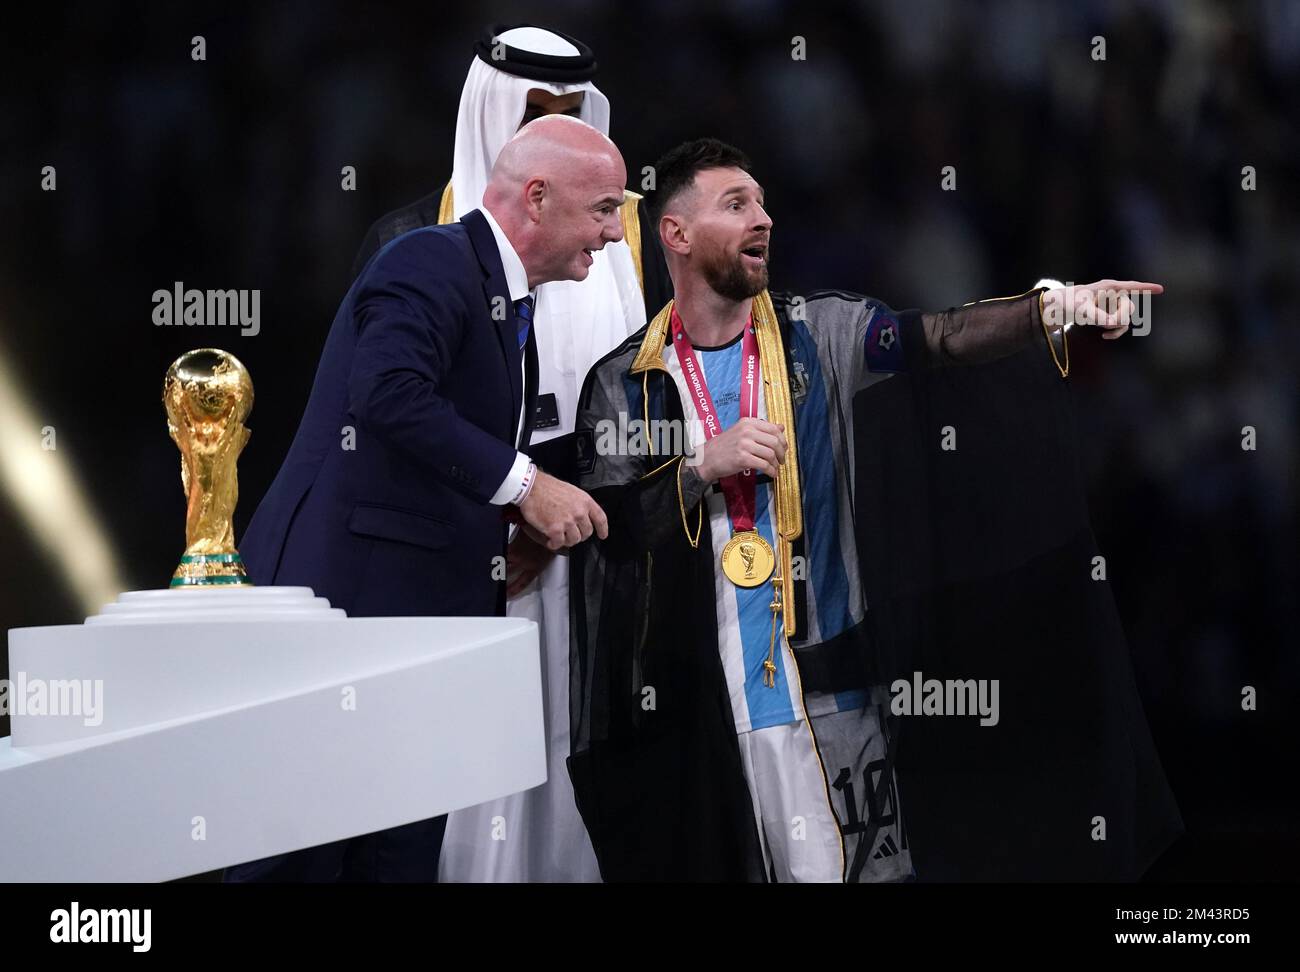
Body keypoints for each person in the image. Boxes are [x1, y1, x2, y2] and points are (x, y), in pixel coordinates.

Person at [567, 137, 1180, 881]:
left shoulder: (824, 332)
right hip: (705, 723)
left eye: (763, 202)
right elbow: (610, 531)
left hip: (838, 702)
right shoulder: (624, 382)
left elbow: (944, 339)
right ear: (677, 233)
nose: (763, 218)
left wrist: (1054, 307)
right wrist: (702, 467)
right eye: (737, 204)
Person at [224, 115, 624, 882]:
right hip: (344, 612)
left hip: (414, 633)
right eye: (603, 208)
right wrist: (527, 489)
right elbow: (387, 394)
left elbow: (458, 439)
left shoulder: (506, 299)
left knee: (395, 861)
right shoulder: (429, 262)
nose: (612, 233)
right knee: (300, 857)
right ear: (537, 197)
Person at [350, 23, 669, 883]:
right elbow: (387, 420)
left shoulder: (626, 241)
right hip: (463, 569)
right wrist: (498, 521)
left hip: (597, 555)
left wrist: (563, 509)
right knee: (459, 799)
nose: (554, 128)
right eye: (538, 109)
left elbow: (651, 397)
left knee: (585, 790)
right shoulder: (412, 242)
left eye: (574, 111)